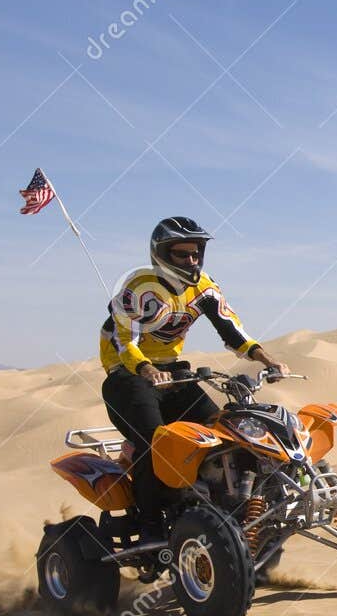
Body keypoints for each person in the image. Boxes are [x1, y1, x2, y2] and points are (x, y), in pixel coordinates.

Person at [99, 216, 285, 542]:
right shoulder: (139, 289)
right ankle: (150, 525)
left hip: (174, 375)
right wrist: (145, 370)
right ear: (161, 254)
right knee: (154, 443)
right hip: (128, 377)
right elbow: (123, 342)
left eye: (196, 253)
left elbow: (231, 329)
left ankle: (228, 507)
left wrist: (266, 358)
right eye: (182, 255)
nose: (192, 261)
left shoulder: (205, 288)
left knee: (223, 431)